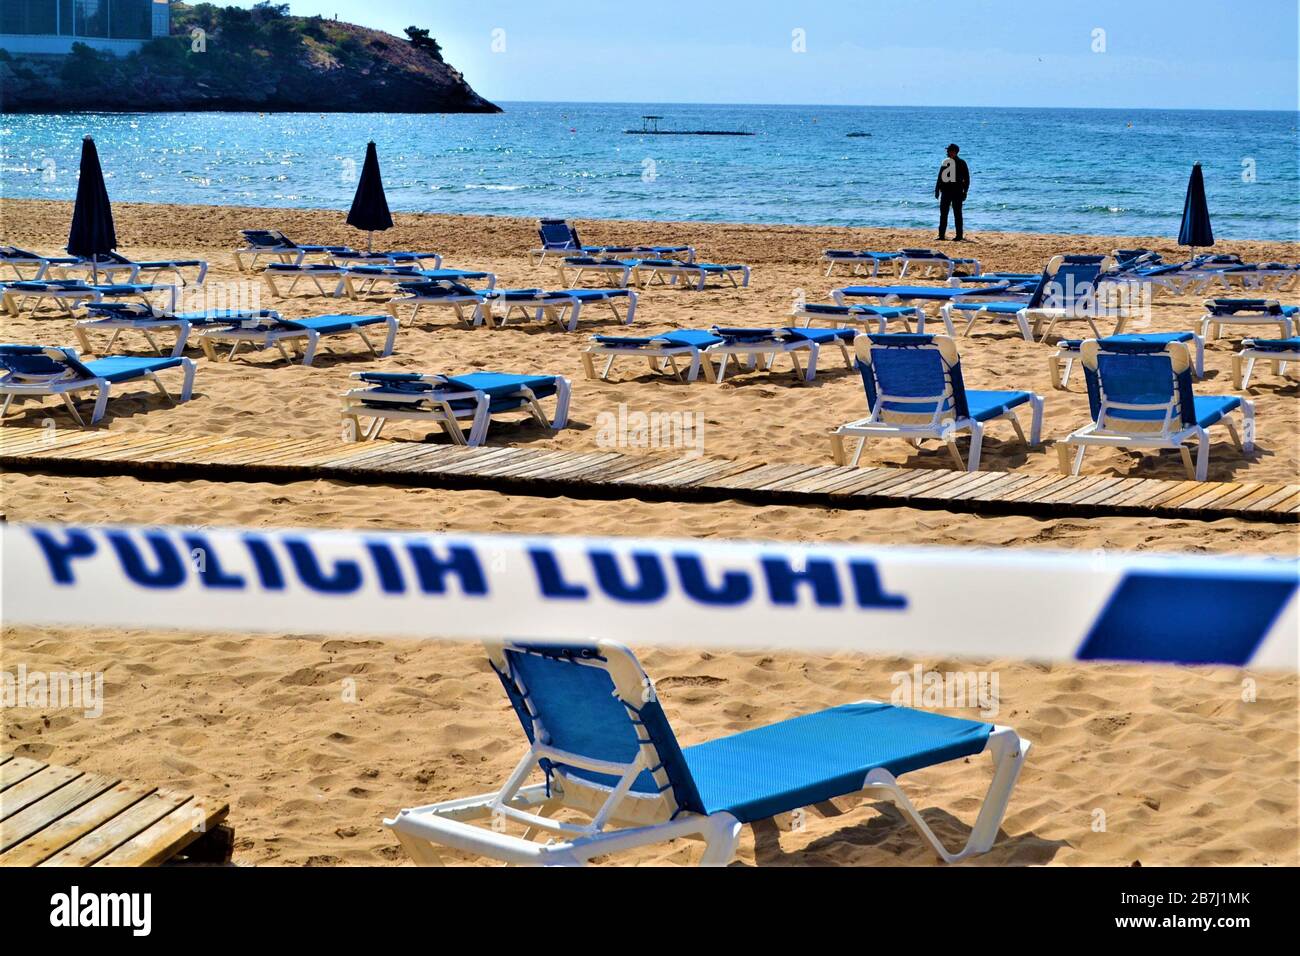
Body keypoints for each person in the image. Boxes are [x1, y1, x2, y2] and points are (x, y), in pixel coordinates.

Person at [934, 143, 970, 241]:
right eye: (947, 150)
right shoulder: (945, 162)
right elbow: (940, 177)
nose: (947, 152)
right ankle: (941, 235)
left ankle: (959, 236)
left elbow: (967, 179)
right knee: (943, 214)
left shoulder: (962, 163)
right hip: (945, 192)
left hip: (957, 192)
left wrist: (965, 192)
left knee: (957, 214)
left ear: (954, 152)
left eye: (949, 150)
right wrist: (937, 190)